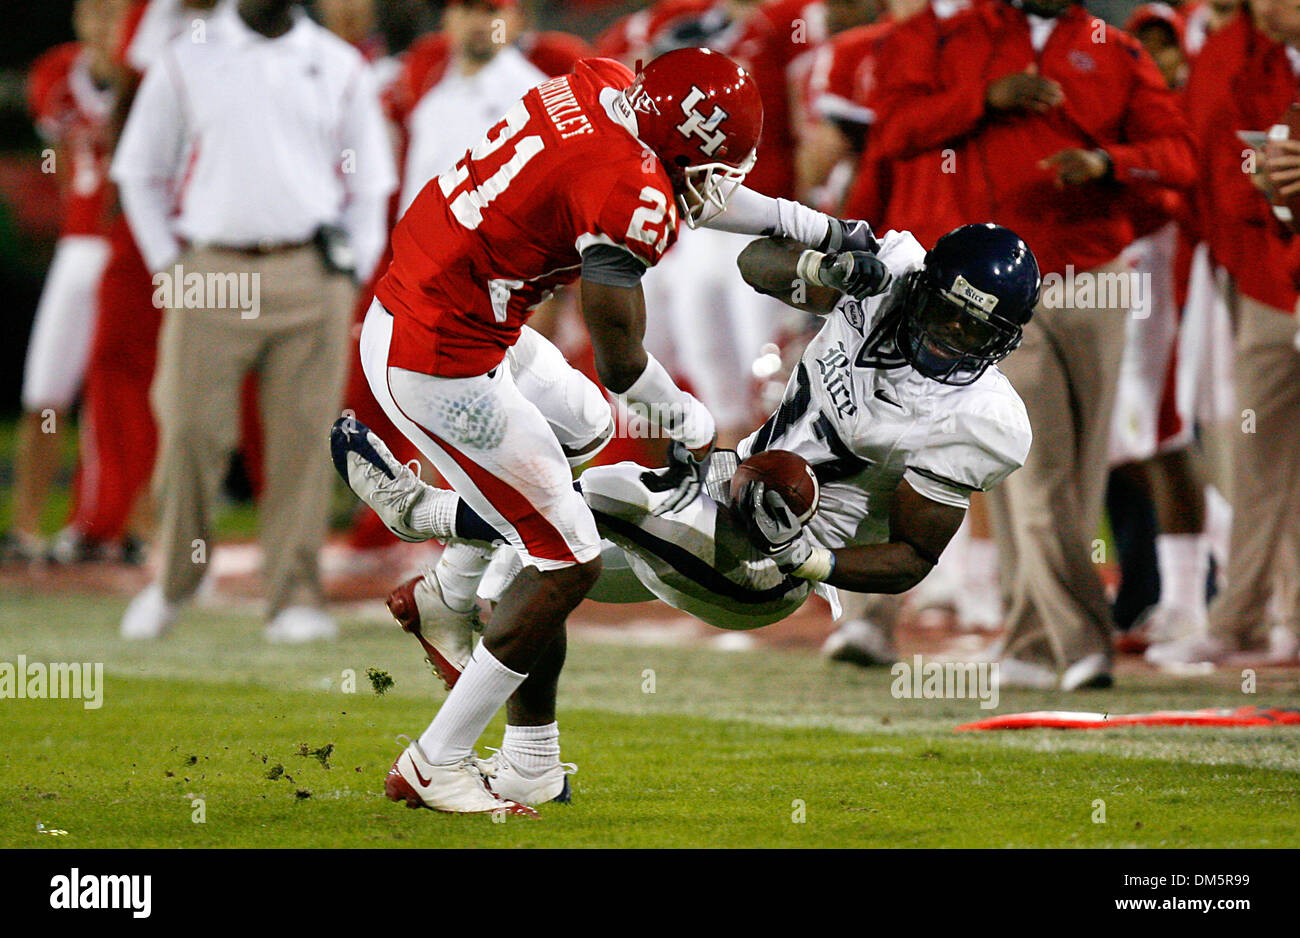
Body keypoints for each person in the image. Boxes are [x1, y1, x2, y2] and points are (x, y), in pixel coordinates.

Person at [335, 45, 877, 815]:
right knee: (567, 562)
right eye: (716, 167)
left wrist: (819, 228)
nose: (724, 186)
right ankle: (433, 761)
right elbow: (624, 362)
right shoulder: (630, 189)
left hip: (461, 314)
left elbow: (690, 188)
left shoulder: (610, 86)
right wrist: (686, 417)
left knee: (584, 438)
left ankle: (481, 658)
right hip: (442, 355)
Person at [334, 222, 1037, 806]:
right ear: (921, 287)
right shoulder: (893, 271)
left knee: (600, 494)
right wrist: (827, 267)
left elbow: (913, 558)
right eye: (946, 312)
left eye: (977, 332)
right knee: (546, 564)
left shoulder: (980, 417)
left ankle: (430, 515)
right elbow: (755, 262)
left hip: (767, 560)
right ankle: (531, 765)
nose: (952, 339)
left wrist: (808, 560)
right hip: (722, 494)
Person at [112, 0, 397, 642]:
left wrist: (351, 272)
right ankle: (175, 580)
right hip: (211, 266)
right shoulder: (188, 57)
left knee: (302, 439)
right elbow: (139, 171)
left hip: (309, 268)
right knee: (188, 429)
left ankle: (294, 595)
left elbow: (371, 181)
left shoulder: (338, 64)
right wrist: (169, 264)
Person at [4, 0, 124, 564]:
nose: (103, 27)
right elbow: (59, 163)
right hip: (79, 247)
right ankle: (25, 529)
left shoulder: (152, 73)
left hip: (137, 254)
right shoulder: (56, 74)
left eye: (115, 14)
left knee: (127, 400)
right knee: (45, 391)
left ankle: (125, 528)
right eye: (94, 14)